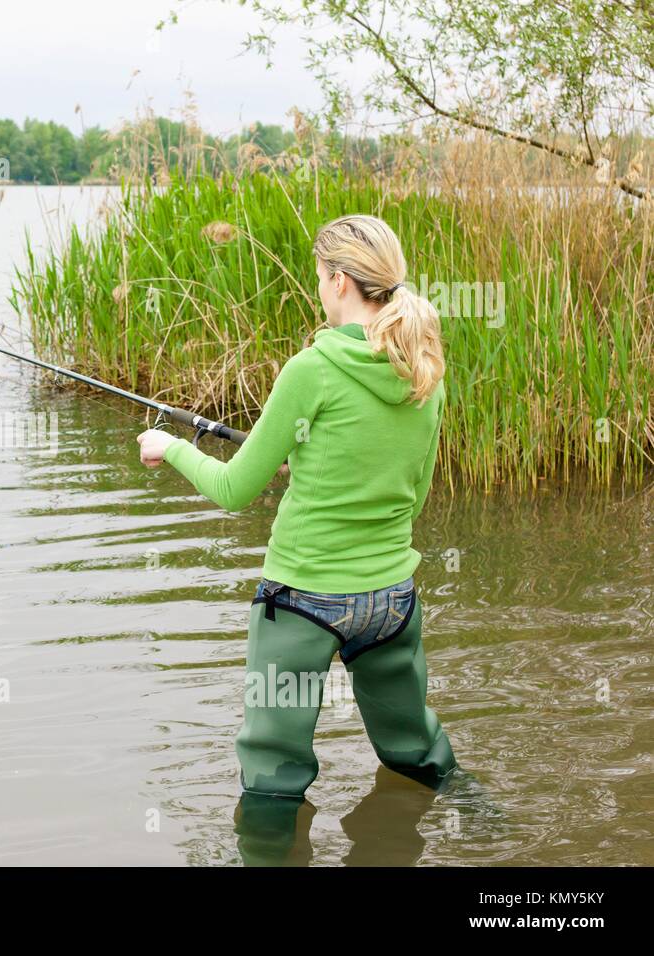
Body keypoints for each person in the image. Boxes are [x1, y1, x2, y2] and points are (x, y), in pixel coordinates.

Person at [136, 214, 458, 799]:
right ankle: (486, 828)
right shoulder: (425, 367)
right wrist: (316, 467)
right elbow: (415, 491)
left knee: (272, 772)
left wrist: (173, 447)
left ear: (339, 281)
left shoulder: (312, 368)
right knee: (416, 752)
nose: (318, 289)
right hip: (391, 601)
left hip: (303, 600)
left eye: (318, 276)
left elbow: (234, 490)